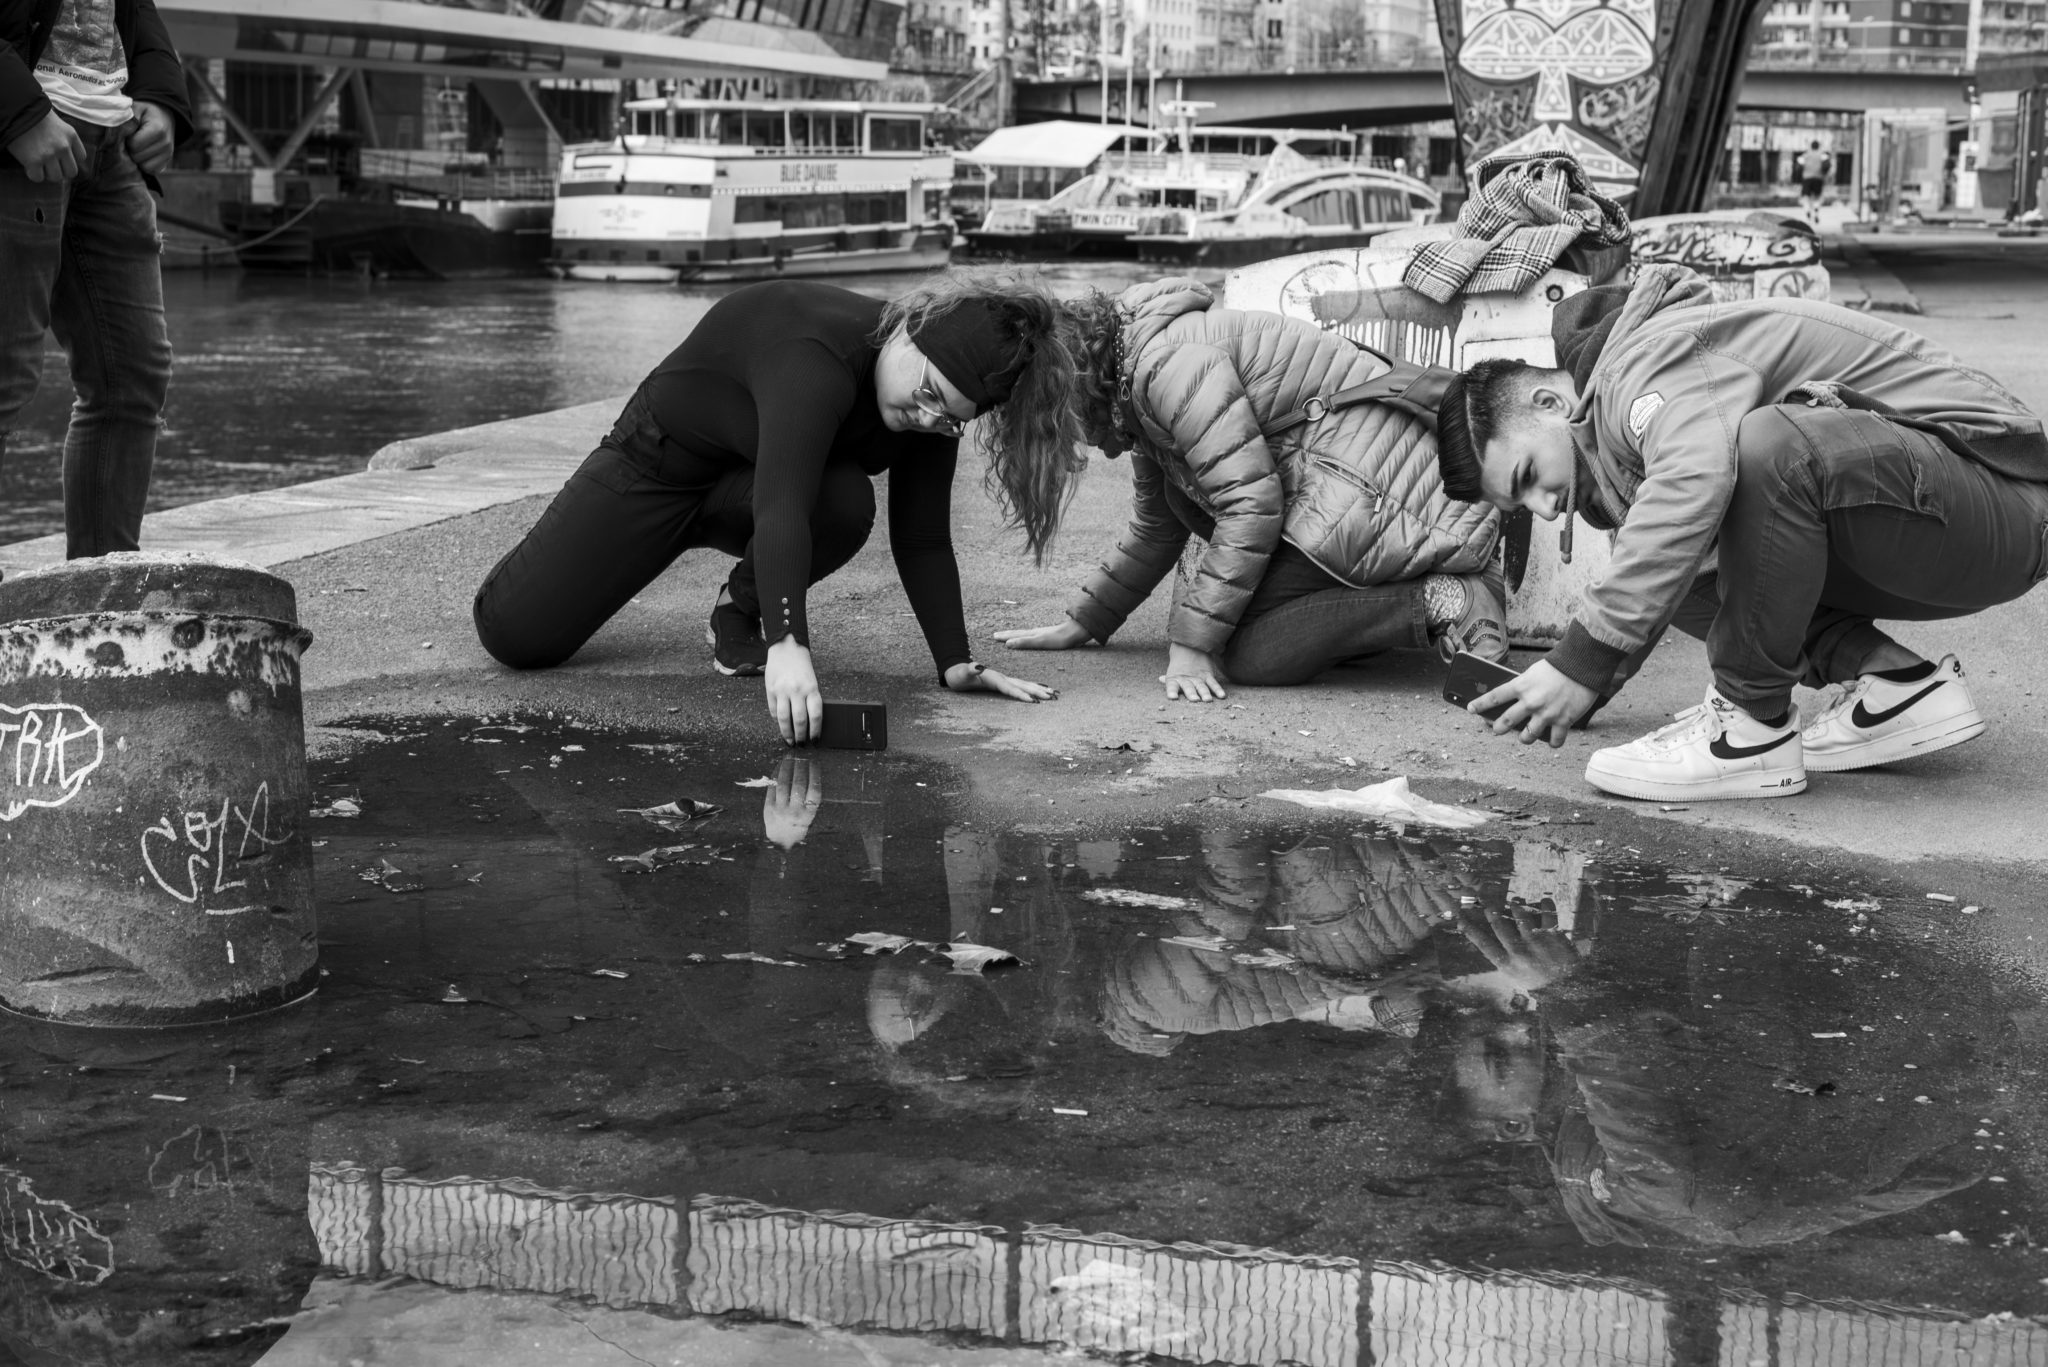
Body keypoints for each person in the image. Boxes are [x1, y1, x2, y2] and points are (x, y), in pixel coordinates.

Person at [1435, 262, 2048, 801]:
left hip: (2003, 492)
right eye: (1521, 506)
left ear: (1548, 403)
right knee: (1687, 568)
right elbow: (1664, 552)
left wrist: (1579, 661)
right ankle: (1898, 685)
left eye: (1527, 477)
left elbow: (1695, 478)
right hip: (1933, 523)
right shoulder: (1618, 445)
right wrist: (1583, 686)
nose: (1544, 508)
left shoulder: (1640, 367)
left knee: (1767, 448)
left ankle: (1750, 730)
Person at [473, 271, 1083, 745]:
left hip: (749, 488)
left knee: (844, 502)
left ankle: (737, 609)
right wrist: (791, 644)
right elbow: (782, 506)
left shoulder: (931, 409)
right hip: (655, 469)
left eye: (948, 417)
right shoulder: (815, 352)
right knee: (516, 638)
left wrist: (955, 662)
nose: (926, 417)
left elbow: (922, 539)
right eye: (926, 395)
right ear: (910, 331)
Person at [994, 278, 1505, 700]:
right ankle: (1372, 616)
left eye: (1066, 430)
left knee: (1251, 653)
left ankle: (1447, 598)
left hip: (1410, 506)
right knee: (1181, 509)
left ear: (1071, 392)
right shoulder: (1135, 375)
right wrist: (1087, 621)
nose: (1090, 448)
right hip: (1360, 500)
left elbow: (1250, 504)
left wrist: (1194, 646)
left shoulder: (1166, 369)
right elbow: (1156, 529)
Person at [2, 0, 190, 559]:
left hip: (113, 145)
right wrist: (15, 112)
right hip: (16, 146)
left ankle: (101, 593)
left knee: (131, 378)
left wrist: (161, 97)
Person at [1795, 139, 1832, 223]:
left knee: (1806, 196)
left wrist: (1799, 179)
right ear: (1818, 146)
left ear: (1811, 146)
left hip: (1806, 178)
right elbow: (1827, 166)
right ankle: (1816, 210)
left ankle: (1807, 210)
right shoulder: (1822, 155)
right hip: (1818, 178)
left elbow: (1798, 166)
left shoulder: (1806, 155)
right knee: (1817, 197)